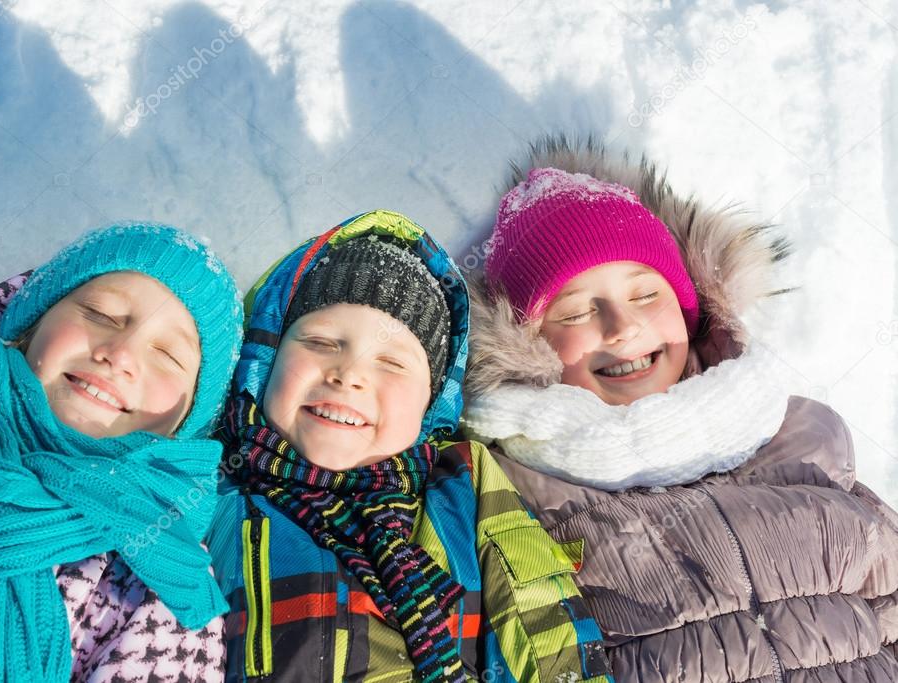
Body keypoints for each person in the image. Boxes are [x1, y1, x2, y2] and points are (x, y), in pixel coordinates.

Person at [462, 135, 898, 681]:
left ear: (688, 312)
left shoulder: (798, 438)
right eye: (574, 313)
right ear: (528, 349)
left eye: (647, 296)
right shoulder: (516, 494)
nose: (623, 327)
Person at [209, 209, 612, 682]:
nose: (350, 375)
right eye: (320, 342)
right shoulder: (209, 487)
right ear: (266, 357)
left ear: (431, 405)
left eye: (392, 364)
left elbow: (544, 626)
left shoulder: (463, 485)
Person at [0, 223, 243, 682]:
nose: (120, 352)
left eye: (168, 354)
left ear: (187, 423)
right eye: (101, 314)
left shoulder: (160, 595)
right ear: (29, 326)